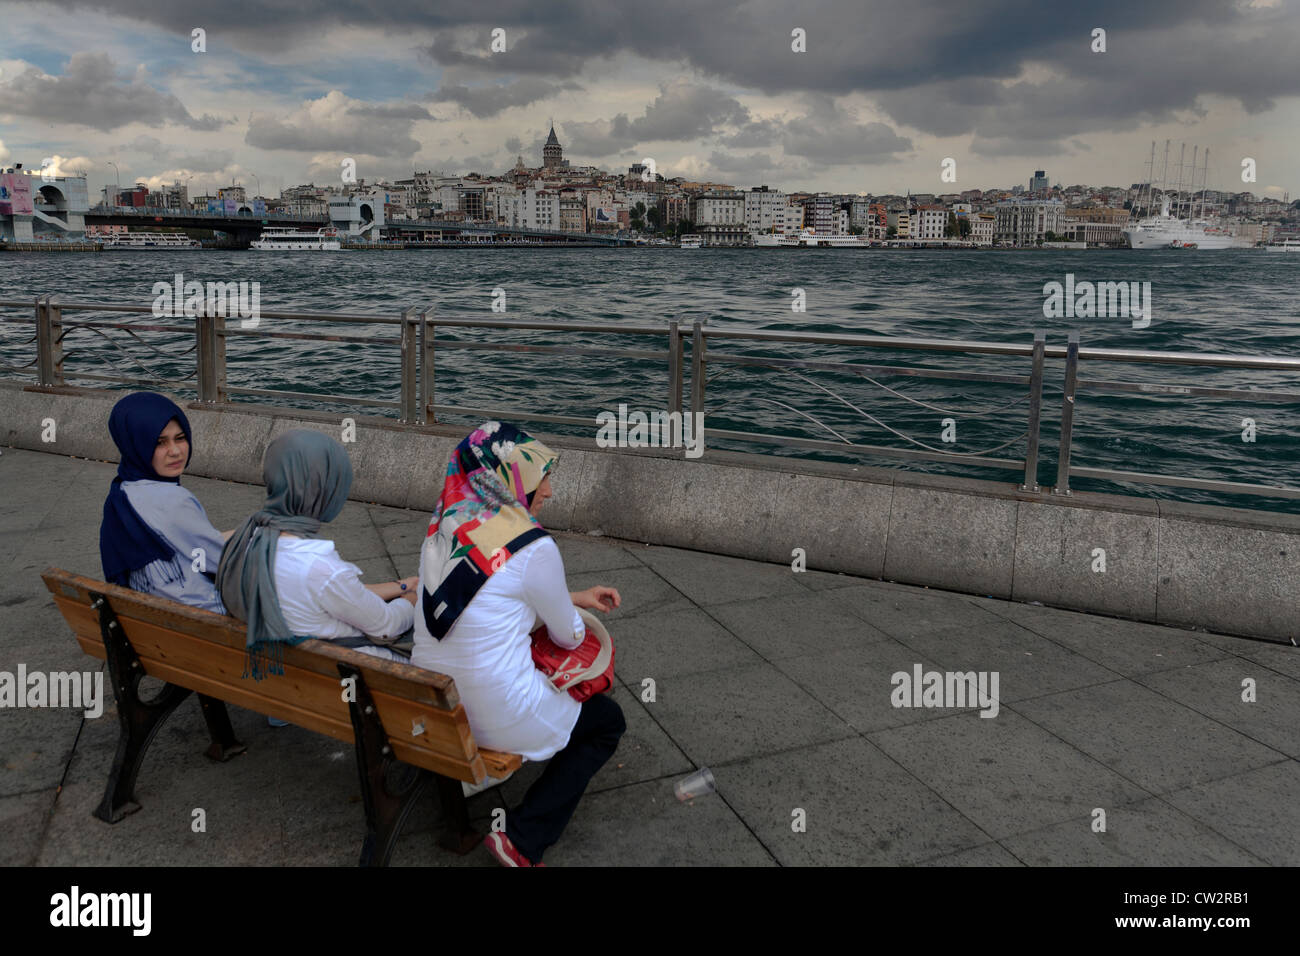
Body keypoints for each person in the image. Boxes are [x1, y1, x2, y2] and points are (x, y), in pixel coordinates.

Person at [411, 421, 625, 867]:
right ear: (507, 477)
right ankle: (523, 838)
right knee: (606, 722)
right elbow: (569, 635)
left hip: (433, 704)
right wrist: (575, 617)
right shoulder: (532, 545)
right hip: (495, 713)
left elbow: (484, 597)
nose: (548, 490)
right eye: (540, 476)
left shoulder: (444, 527)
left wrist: (569, 596)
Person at [215, 429, 418, 680]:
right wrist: (411, 597)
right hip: (351, 677)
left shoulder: (242, 540)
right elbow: (386, 627)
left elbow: (324, 591)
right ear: (326, 490)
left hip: (285, 678)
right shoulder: (318, 566)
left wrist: (399, 586)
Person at [99, 392, 227, 614]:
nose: (175, 451)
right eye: (159, 443)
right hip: (205, 615)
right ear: (135, 445)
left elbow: (190, 542)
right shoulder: (173, 501)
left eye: (180, 438)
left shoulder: (121, 493)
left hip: (147, 619)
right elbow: (223, 561)